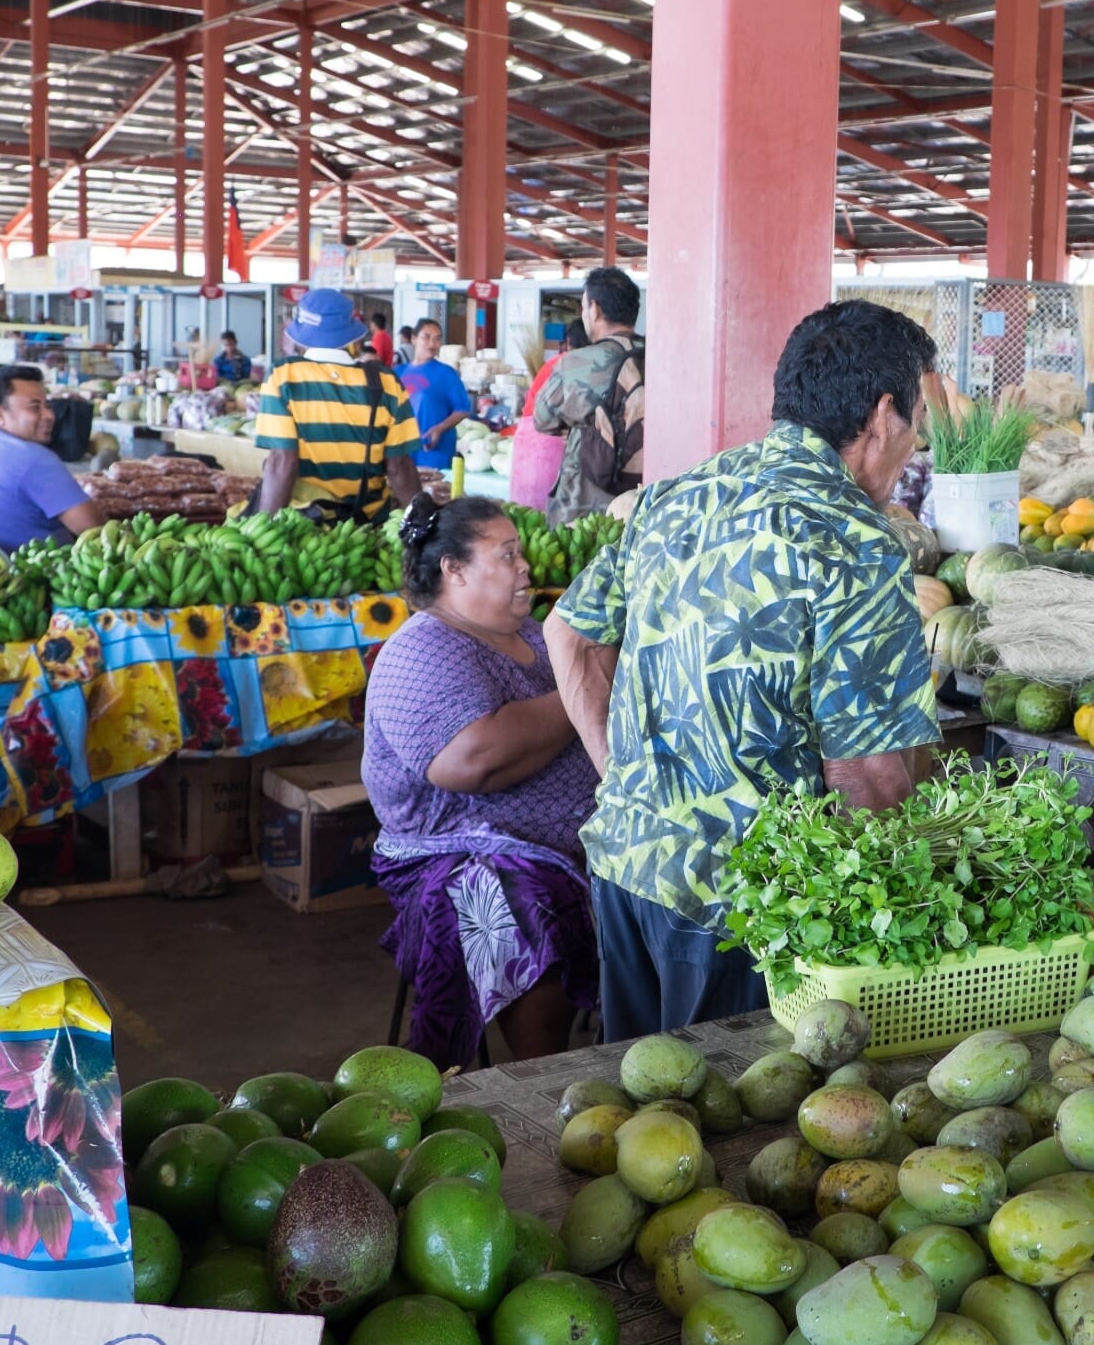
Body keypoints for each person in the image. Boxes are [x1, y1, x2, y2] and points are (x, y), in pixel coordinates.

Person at [547, 300, 941, 1039]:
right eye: (917, 422)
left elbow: (568, 635)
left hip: (627, 867)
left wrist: (624, 777)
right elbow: (867, 773)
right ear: (883, 414)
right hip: (746, 904)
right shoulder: (855, 542)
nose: (914, 444)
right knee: (729, 1104)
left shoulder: (675, 495)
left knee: (638, 1095)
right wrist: (911, 907)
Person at [362, 492, 598, 1067]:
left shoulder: (538, 636)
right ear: (455, 569)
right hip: (449, 848)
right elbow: (474, 760)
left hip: (567, 836)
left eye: (520, 553)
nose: (525, 567)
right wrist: (581, 691)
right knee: (519, 900)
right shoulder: (421, 649)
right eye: (507, 554)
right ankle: (539, 1074)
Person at [250, 289, 423, 519]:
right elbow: (399, 466)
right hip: (367, 523)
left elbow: (283, 462)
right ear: (350, 335)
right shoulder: (387, 381)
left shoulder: (283, 376)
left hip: (303, 523)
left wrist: (264, 526)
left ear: (302, 336)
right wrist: (422, 525)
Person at [0, 364, 104, 550]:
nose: (49, 415)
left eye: (47, 406)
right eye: (35, 407)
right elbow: (95, 530)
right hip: (19, 566)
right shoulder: (34, 459)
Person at [533, 268, 644, 523]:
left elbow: (542, 420)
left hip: (587, 503)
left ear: (594, 309)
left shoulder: (574, 363)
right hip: (646, 497)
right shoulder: (659, 355)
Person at [398, 320, 473, 473]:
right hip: (402, 451)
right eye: (426, 337)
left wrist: (440, 428)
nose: (432, 343)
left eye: (437, 338)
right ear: (413, 339)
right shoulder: (398, 372)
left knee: (434, 487)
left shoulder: (447, 374)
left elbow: (462, 409)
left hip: (434, 451)